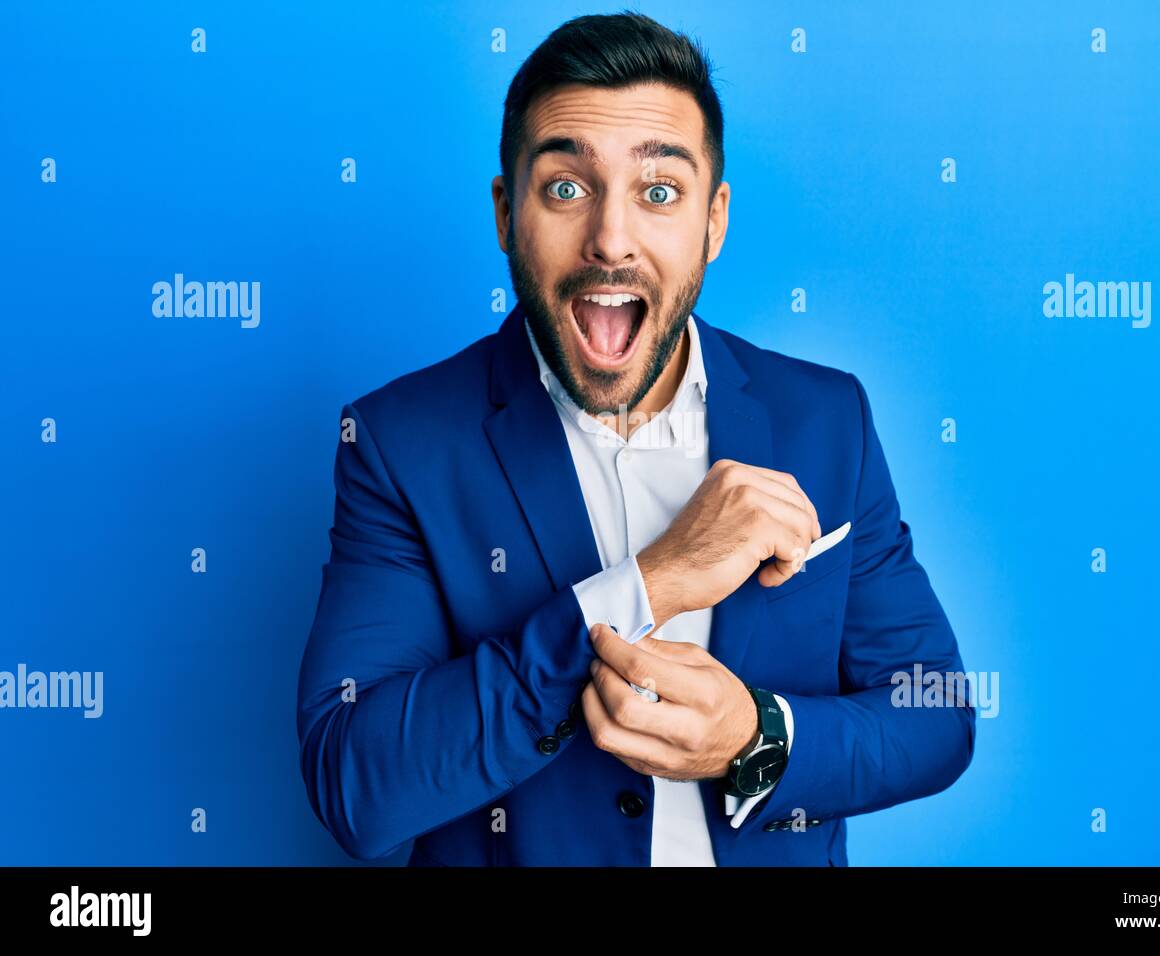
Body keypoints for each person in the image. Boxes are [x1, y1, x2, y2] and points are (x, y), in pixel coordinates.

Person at [296, 10, 974, 867]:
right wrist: (648, 583)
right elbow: (355, 784)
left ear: (713, 221)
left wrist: (755, 736)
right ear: (507, 213)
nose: (611, 239)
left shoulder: (825, 419)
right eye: (567, 188)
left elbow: (937, 714)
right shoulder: (400, 443)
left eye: (659, 192)